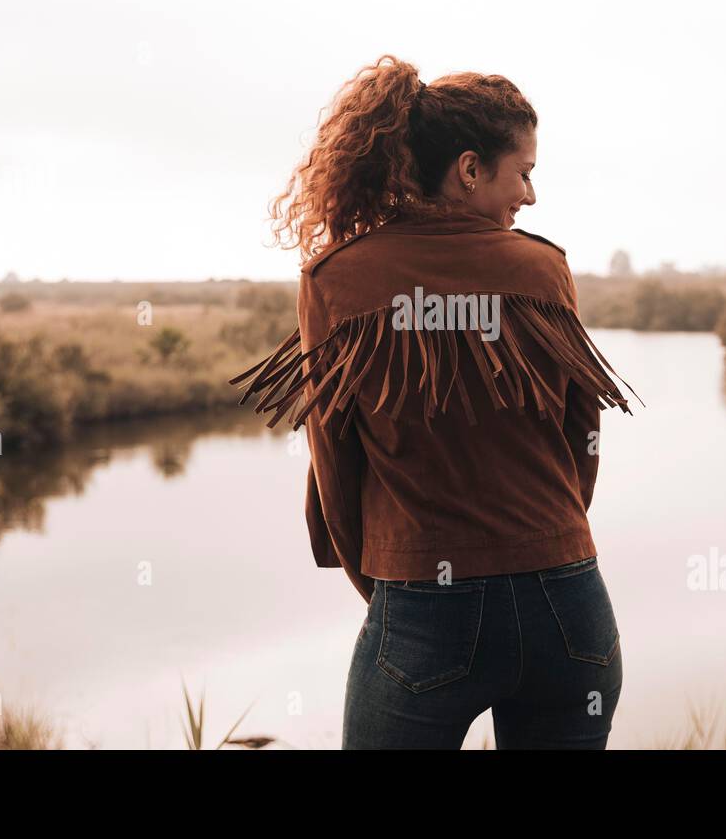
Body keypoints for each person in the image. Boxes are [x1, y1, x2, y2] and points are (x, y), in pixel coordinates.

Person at [231, 54, 642, 749]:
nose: (532, 196)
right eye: (525, 172)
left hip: (423, 601)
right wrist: (552, 543)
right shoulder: (543, 270)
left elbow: (335, 462)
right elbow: (584, 438)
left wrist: (388, 588)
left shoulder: (338, 279)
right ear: (470, 168)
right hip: (569, 604)